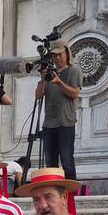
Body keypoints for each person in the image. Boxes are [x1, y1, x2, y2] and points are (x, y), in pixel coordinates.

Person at [34, 40, 83, 179]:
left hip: (66, 122)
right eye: (54, 55)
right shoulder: (50, 72)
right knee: (50, 164)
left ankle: (71, 197)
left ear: (67, 53)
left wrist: (59, 82)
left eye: (60, 54)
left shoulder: (74, 71)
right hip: (49, 124)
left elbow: (74, 93)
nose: (57, 58)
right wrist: (43, 79)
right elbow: (38, 95)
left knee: (67, 162)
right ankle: (54, 195)